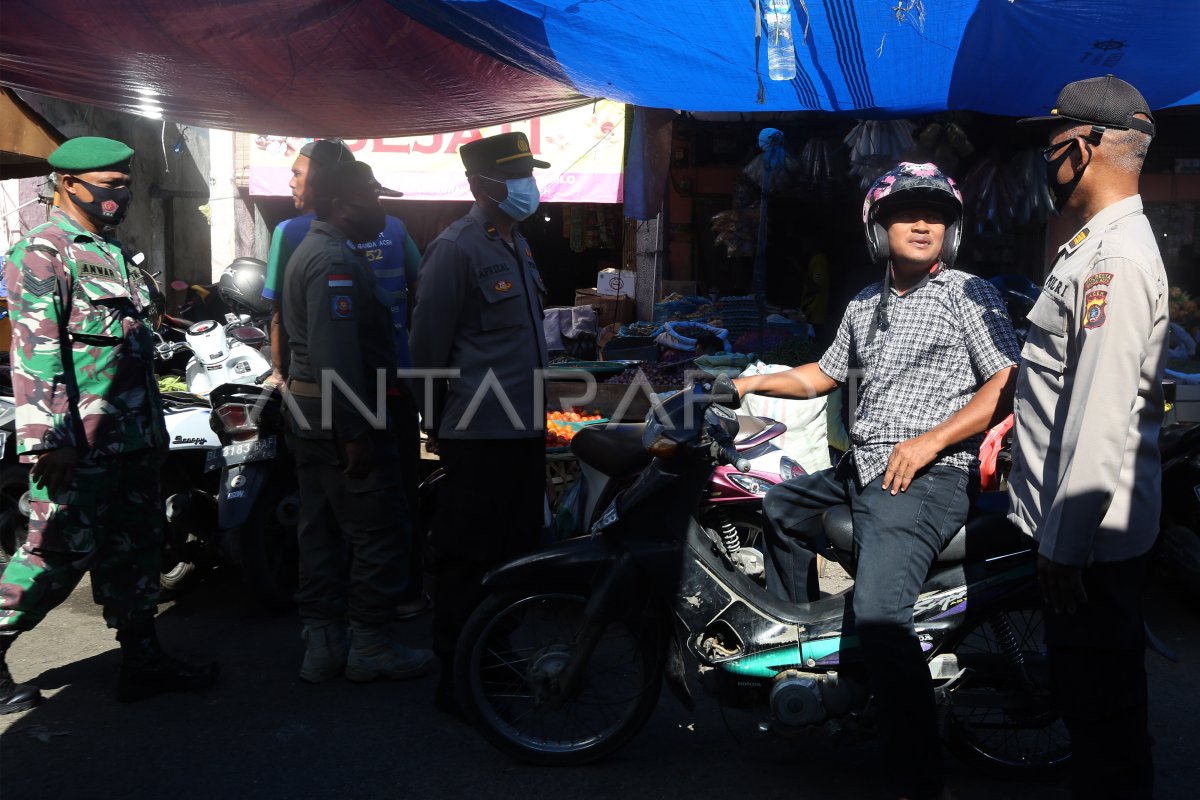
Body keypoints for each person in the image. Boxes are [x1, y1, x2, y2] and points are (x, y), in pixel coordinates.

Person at [733, 162, 1020, 800]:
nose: (924, 225)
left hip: (928, 478)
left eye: (937, 215)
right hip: (862, 468)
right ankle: (811, 654)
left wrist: (931, 441)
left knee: (881, 614)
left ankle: (916, 775)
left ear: (952, 230)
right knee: (778, 507)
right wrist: (747, 382)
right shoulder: (866, 302)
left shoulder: (968, 294)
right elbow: (822, 375)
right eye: (907, 214)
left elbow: (1005, 381)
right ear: (876, 226)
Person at [0, 137, 218, 713]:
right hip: (80, 445)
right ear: (68, 184)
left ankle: (142, 660)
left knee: (137, 550)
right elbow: (36, 349)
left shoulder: (112, 252)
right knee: (53, 557)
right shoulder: (43, 252)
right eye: (108, 184)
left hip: (133, 438)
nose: (119, 195)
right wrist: (50, 438)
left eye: (125, 184)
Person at [1009, 75, 1168, 800]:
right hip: (1082, 541)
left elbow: (1101, 414)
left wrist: (1062, 547)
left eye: (1050, 145)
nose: (1044, 161)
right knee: (1098, 719)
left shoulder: (1115, 261)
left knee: (1104, 731)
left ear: (1085, 147)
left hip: (1090, 550)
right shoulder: (1093, 247)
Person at [409, 131, 550, 716]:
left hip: (523, 432)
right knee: (468, 558)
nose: (528, 185)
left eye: (528, 172)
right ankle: (458, 676)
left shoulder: (516, 244)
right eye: (516, 175)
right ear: (482, 184)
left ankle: (496, 659)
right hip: (478, 435)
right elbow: (427, 347)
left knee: (516, 555)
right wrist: (435, 426)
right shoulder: (457, 247)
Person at [281, 159, 434, 684]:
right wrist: (356, 431)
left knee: (321, 531)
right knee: (379, 530)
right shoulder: (332, 262)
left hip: (314, 413)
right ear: (344, 204)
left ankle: (323, 647)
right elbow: (336, 355)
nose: (382, 207)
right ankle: (368, 644)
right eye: (372, 195)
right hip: (342, 415)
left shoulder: (323, 249)